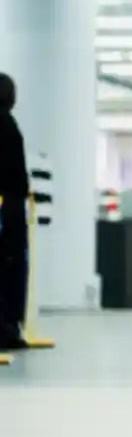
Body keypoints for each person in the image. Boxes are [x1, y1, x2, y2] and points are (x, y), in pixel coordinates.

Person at [0, 73, 30, 350]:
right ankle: (6, 328)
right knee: (10, 267)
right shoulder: (7, 126)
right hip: (7, 209)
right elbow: (15, 176)